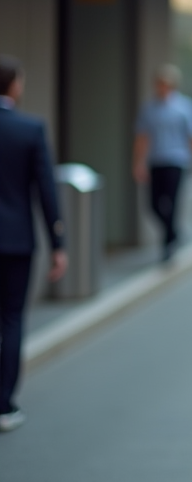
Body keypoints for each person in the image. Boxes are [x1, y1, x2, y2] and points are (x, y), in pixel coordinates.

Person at [0, 55, 68, 432]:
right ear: (13, 86)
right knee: (10, 319)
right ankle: (4, 406)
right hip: (15, 242)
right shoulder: (30, 129)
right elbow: (46, 191)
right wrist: (59, 242)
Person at [132, 64, 192, 263]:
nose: (162, 87)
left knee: (172, 203)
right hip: (156, 161)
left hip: (177, 160)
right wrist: (138, 163)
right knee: (153, 205)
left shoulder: (185, 107)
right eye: (159, 84)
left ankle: (167, 246)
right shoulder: (149, 109)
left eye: (165, 84)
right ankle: (173, 232)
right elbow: (142, 138)